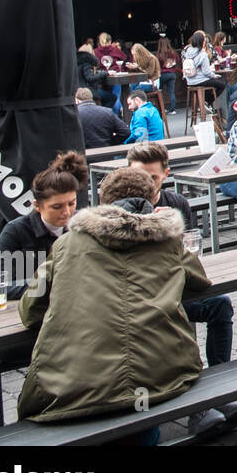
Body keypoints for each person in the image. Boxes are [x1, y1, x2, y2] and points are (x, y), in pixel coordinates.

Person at [17, 166, 209, 430]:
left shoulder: (66, 243)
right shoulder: (167, 240)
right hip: (166, 373)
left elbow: (29, 310)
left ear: (103, 201)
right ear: (151, 199)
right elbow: (200, 280)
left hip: (73, 385)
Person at [118, 155, 236, 430]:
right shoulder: (117, 216)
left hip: (173, 288)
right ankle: (196, 407)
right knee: (173, 323)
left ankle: (220, 387)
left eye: (152, 178)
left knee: (220, 304)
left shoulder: (176, 203)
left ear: (165, 174)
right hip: (142, 302)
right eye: (139, 178)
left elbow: (191, 265)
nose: (146, 185)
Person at [0, 151, 87, 307]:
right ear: (37, 205)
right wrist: (49, 284)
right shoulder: (15, 231)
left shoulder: (83, 224)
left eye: (71, 203)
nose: (66, 212)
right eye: (57, 207)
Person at [183, 30, 226, 101]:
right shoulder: (203, 54)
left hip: (189, 81)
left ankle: (204, 102)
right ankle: (208, 102)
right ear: (202, 42)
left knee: (210, 84)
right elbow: (207, 72)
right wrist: (214, 76)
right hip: (200, 81)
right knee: (222, 85)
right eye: (204, 41)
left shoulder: (187, 52)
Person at [155, 36, 181, 113]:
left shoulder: (159, 54)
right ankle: (173, 109)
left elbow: (157, 65)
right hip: (172, 73)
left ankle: (162, 109)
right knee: (171, 92)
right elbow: (178, 61)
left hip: (162, 74)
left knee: (160, 91)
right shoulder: (173, 52)